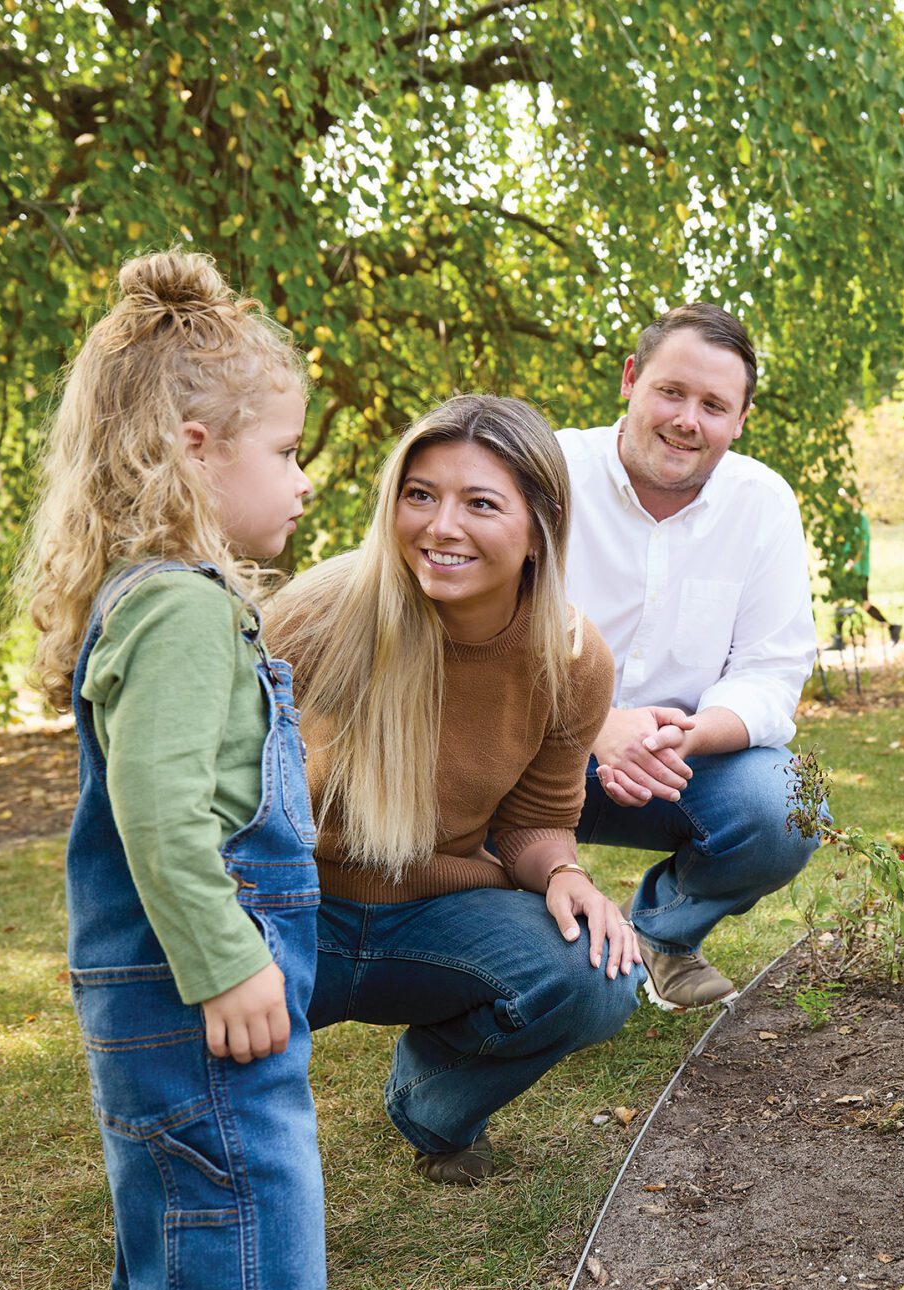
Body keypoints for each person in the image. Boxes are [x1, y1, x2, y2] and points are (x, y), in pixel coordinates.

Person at [20, 250, 324, 1290]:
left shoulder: (136, 599)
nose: (301, 482)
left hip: (156, 1013)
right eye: (285, 453)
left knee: (183, 1270)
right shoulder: (185, 612)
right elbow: (157, 807)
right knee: (241, 1289)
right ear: (193, 449)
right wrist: (226, 959)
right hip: (199, 1014)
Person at [266, 394, 640, 1186]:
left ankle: (434, 1103)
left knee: (600, 973)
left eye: (480, 503)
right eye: (421, 494)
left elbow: (536, 821)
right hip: (299, 913)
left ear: (540, 528)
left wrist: (568, 875)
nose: (441, 526)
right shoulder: (313, 616)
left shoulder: (572, 660)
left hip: (436, 917)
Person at [555, 304, 822, 1009]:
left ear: (740, 420)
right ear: (631, 379)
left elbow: (772, 669)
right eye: (671, 392)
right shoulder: (547, 473)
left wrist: (694, 732)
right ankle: (523, 954)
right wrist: (596, 724)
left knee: (787, 805)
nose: (686, 420)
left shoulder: (763, 504)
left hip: (680, 760)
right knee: (455, 780)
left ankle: (662, 934)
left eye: (713, 405)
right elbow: (491, 639)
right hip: (535, 746)